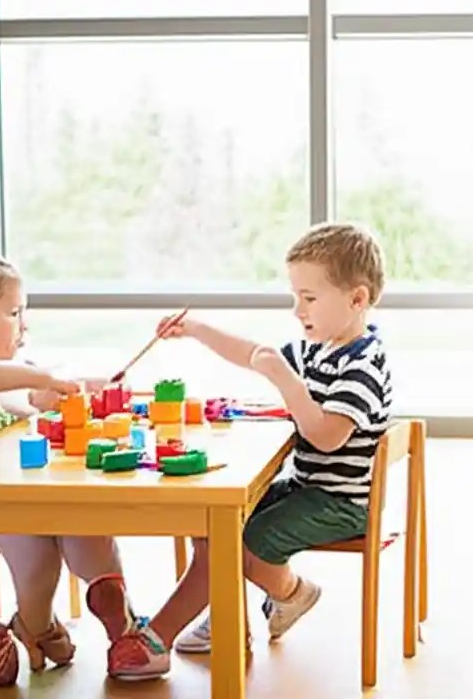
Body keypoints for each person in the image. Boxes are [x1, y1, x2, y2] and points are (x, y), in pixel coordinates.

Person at [106, 223, 393, 679]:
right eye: (296, 296)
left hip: (339, 503)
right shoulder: (321, 347)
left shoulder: (363, 366)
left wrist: (285, 380)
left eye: (309, 298)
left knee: (245, 543)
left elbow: (325, 436)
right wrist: (198, 329)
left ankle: (290, 595)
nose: (298, 310)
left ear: (357, 299)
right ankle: (225, 621)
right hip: (306, 487)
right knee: (215, 521)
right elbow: (253, 354)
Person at [0, 251, 138, 687]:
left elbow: (37, 398)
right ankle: (33, 629)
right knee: (38, 556)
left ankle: (112, 616)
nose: (24, 326)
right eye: (14, 313)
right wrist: (38, 378)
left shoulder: (12, 382)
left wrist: (82, 387)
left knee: (85, 524)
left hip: (29, 498)